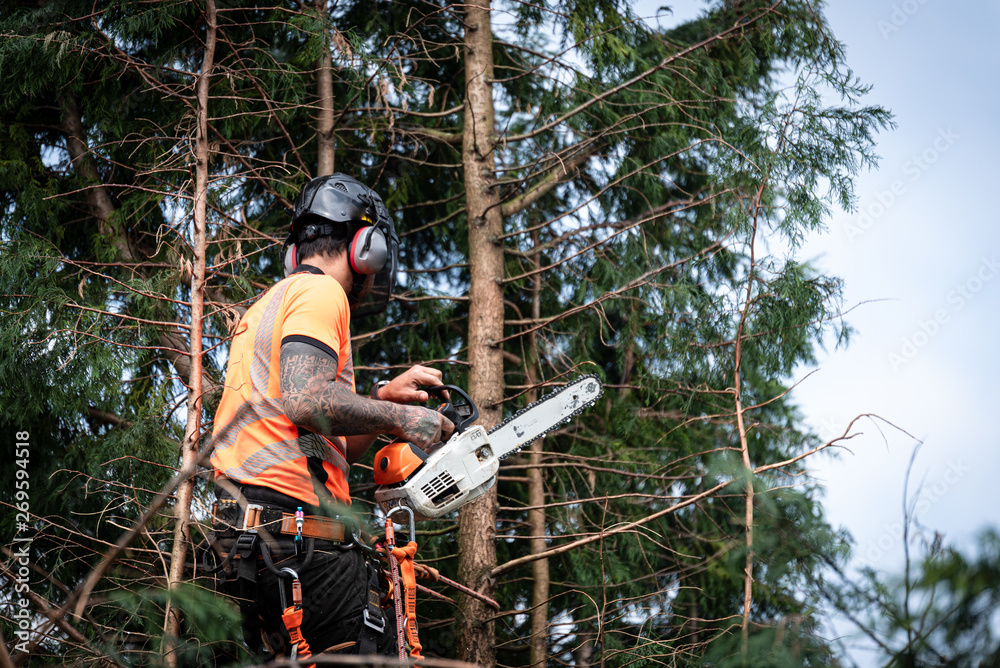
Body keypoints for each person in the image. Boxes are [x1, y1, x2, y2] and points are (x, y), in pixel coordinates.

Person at [208, 173, 454, 658]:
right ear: (367, 247)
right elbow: (306, 401)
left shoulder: (268, 307)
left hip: (247, 545)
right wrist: (408, 422)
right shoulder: (322, 294)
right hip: (298, 546)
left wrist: (386, 403)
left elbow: (309, 435)